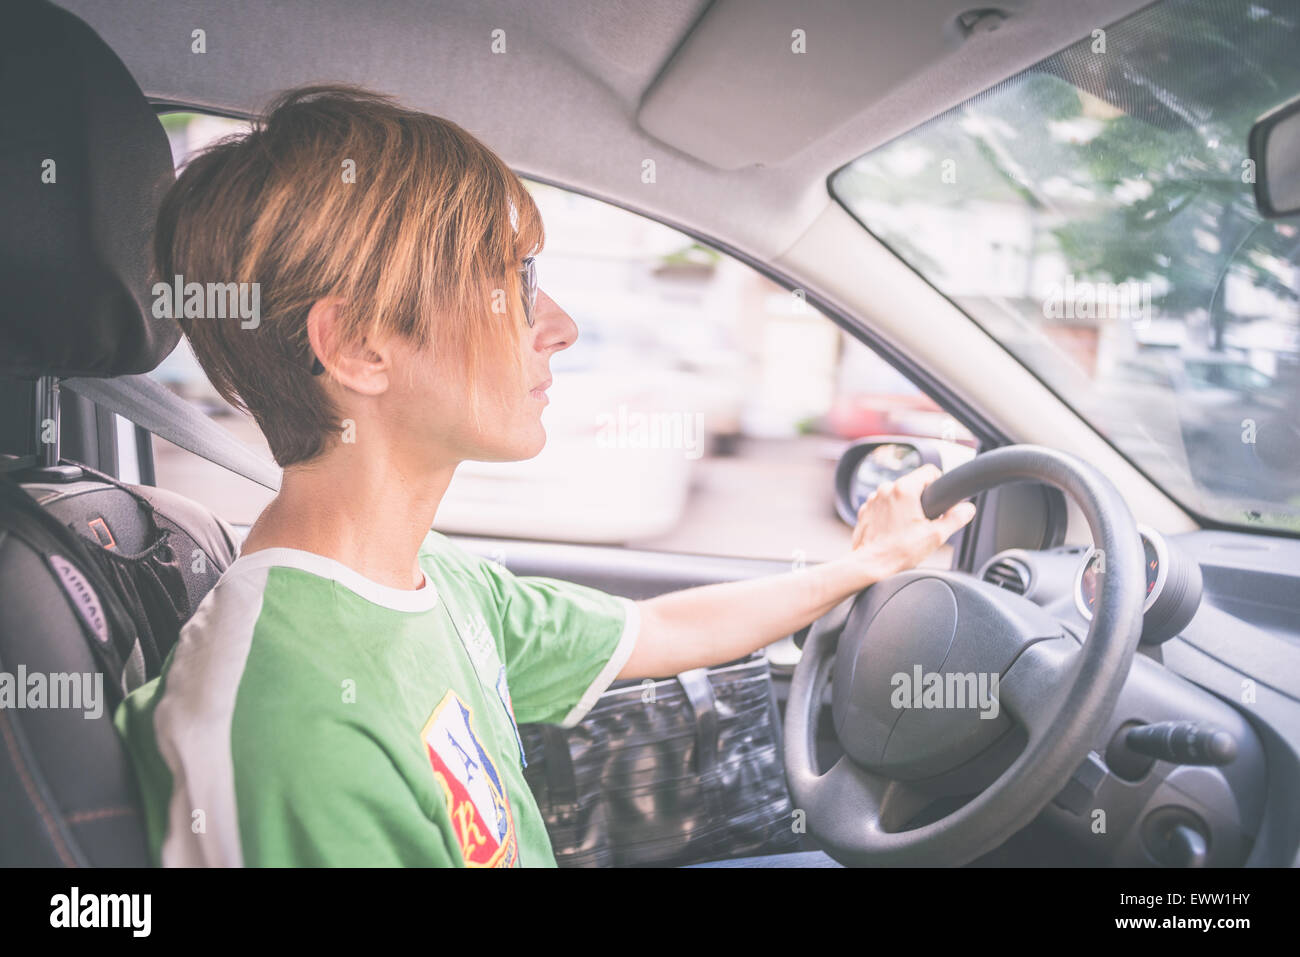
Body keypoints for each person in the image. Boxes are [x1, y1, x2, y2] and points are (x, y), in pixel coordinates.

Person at [114, 85, 976, 867]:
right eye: (515, 283)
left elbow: (654, 631)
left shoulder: (433, 575)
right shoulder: (294, 732)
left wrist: (864, 567)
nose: (558, 325)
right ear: (360, 347)